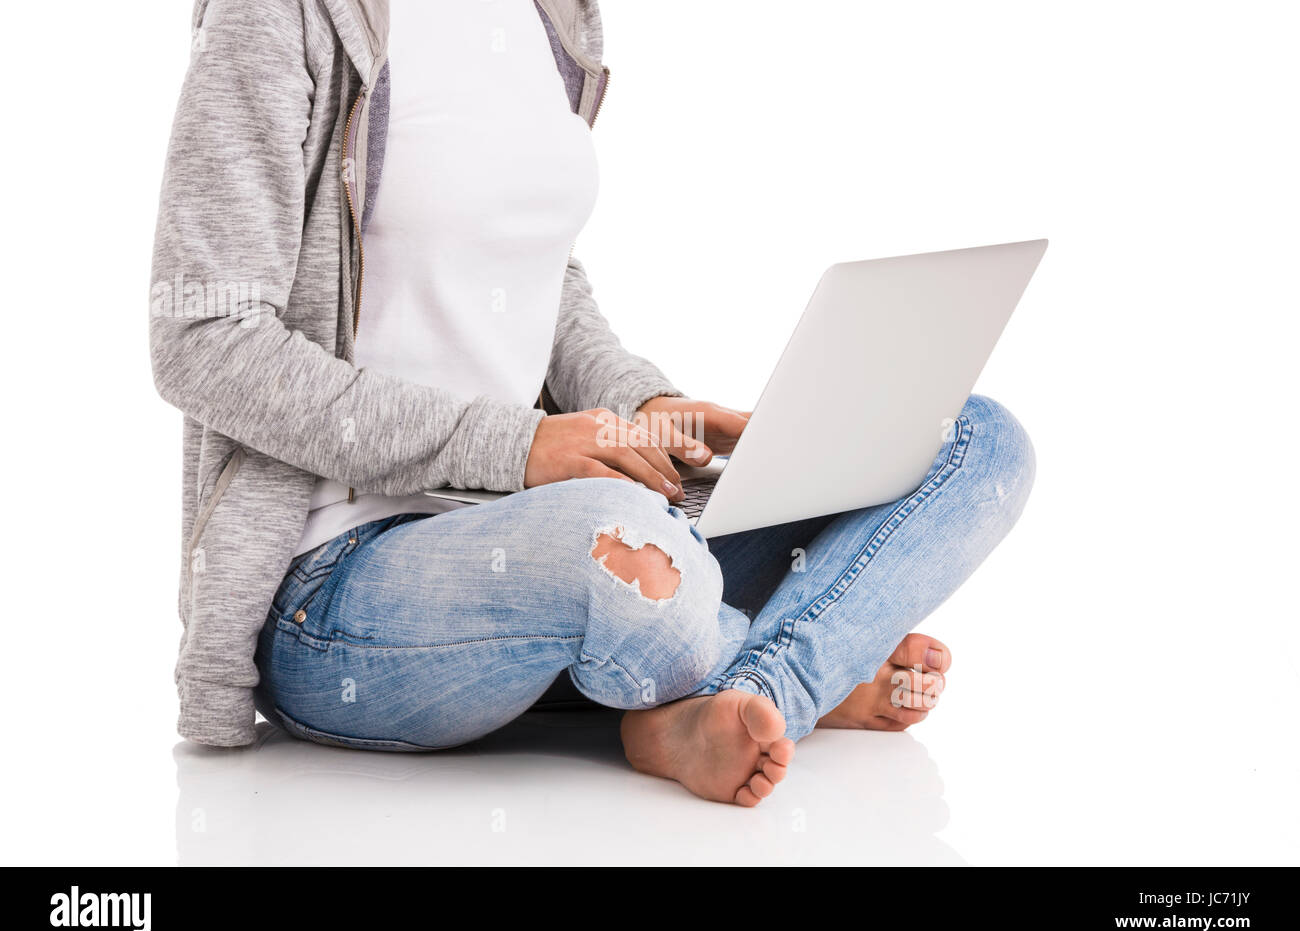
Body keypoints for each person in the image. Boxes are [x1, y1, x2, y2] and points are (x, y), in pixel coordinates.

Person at [151, 0, 1034, 806]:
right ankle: (813, 664)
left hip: (546, 508)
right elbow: (205, 340)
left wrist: (644, 403)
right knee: (632, 555)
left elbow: (540, 279)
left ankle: (749, 690)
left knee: (972, 441)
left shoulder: (551, 17)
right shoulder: (279, 14)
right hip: (336, 581)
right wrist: (514, 448)